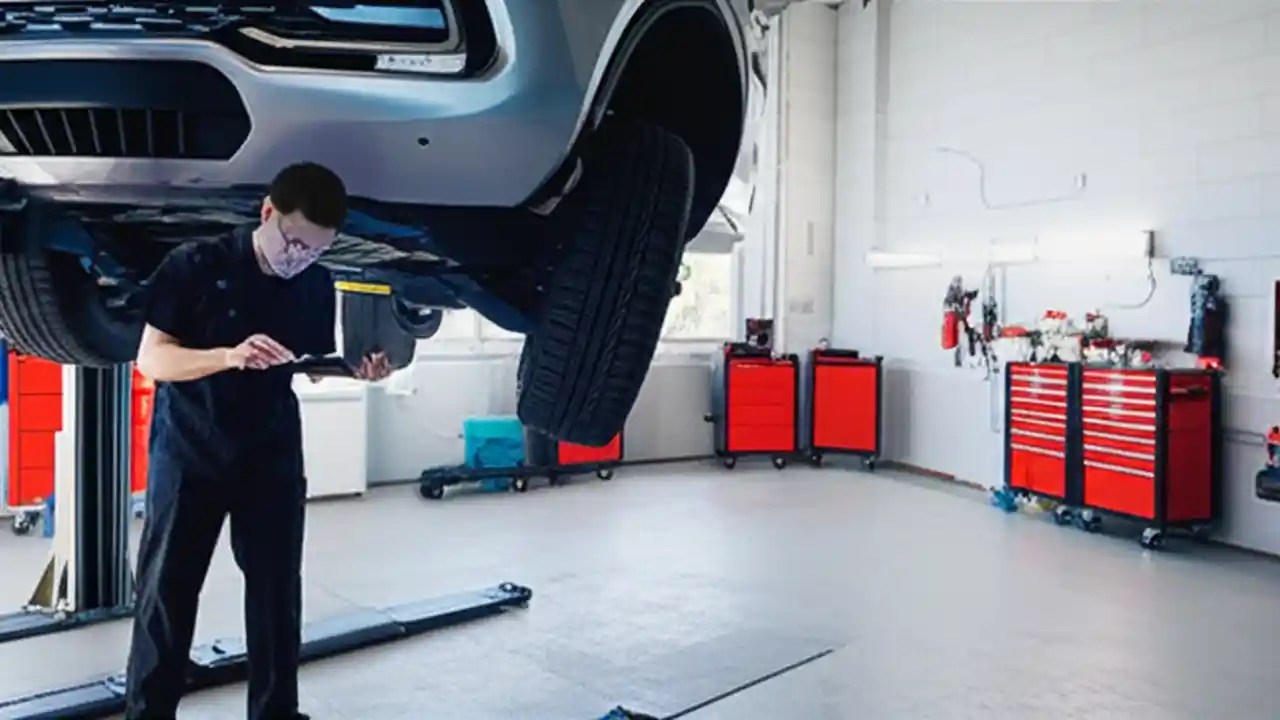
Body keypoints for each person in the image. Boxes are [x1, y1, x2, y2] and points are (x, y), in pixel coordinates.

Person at [124, 162, 392, 720]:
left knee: (275, 595)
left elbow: (309, 364)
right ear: (267, 212)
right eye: (293, 242)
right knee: (167, 594)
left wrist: (357, 370)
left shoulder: (315, 284)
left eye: (314, 250)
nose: (299, 258)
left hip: (269, 451)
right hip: (190, 449)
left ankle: (275, 715)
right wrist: (227, 355)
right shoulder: (196, 265)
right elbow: (152, 358)